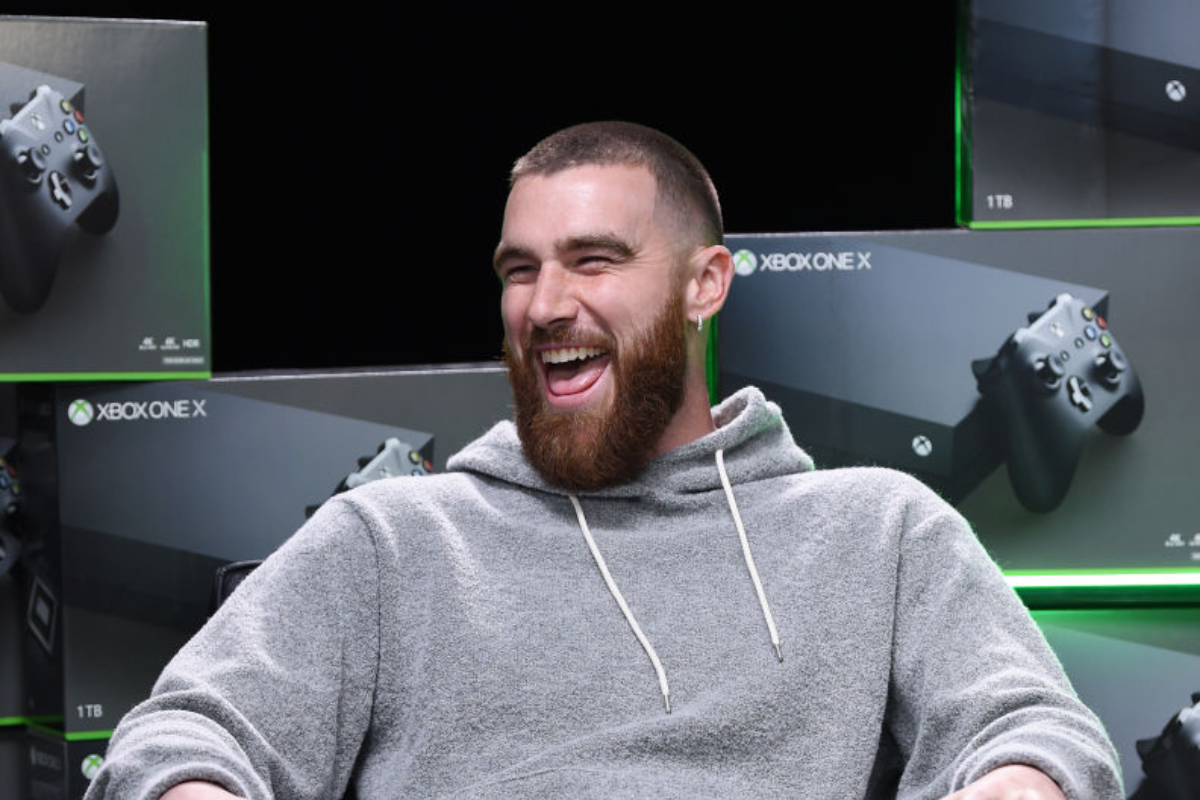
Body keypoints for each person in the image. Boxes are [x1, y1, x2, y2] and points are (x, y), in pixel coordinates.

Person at [87, 122, 1122, 800]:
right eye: (519, 270)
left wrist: (1017, 778)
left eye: (594, 260)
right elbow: (177, 740)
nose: (545, 306)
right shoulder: (392, 540)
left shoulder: (877, 529)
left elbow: (1039, 731)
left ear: (705, 284)